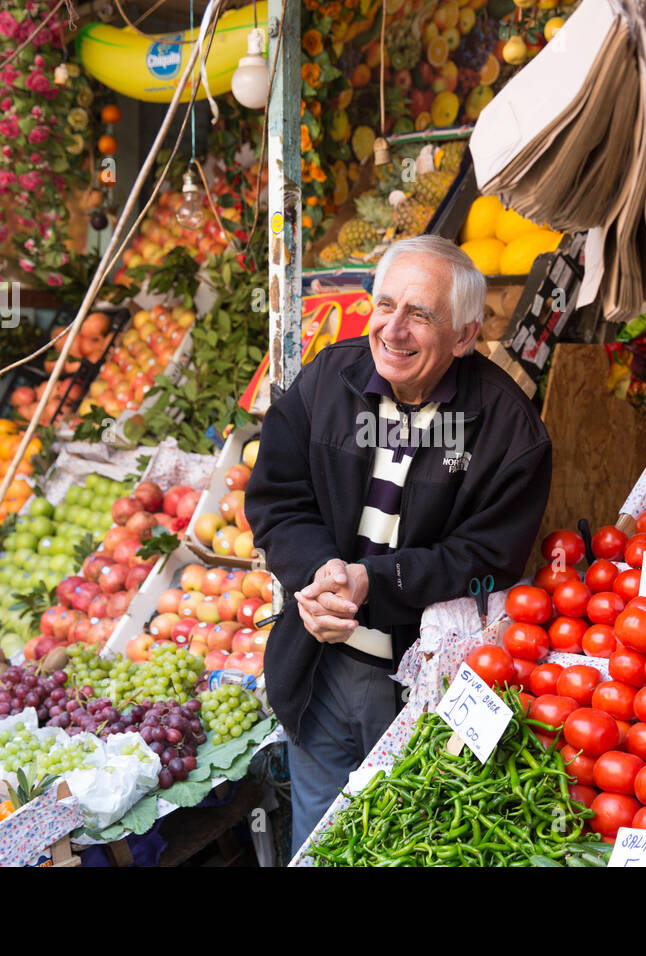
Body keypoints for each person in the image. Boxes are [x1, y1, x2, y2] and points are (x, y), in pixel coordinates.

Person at [244, 234, 553, 854]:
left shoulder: (509, 431)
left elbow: (487, 562)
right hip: (317, 668)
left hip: (422, 687)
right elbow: (278, 499)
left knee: (405, 845)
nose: (394, 329)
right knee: (319, 845)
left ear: (464, 336)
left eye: (420, 314)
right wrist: (320, 572)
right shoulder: (327, 380)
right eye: (385, 305)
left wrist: (374, 581)